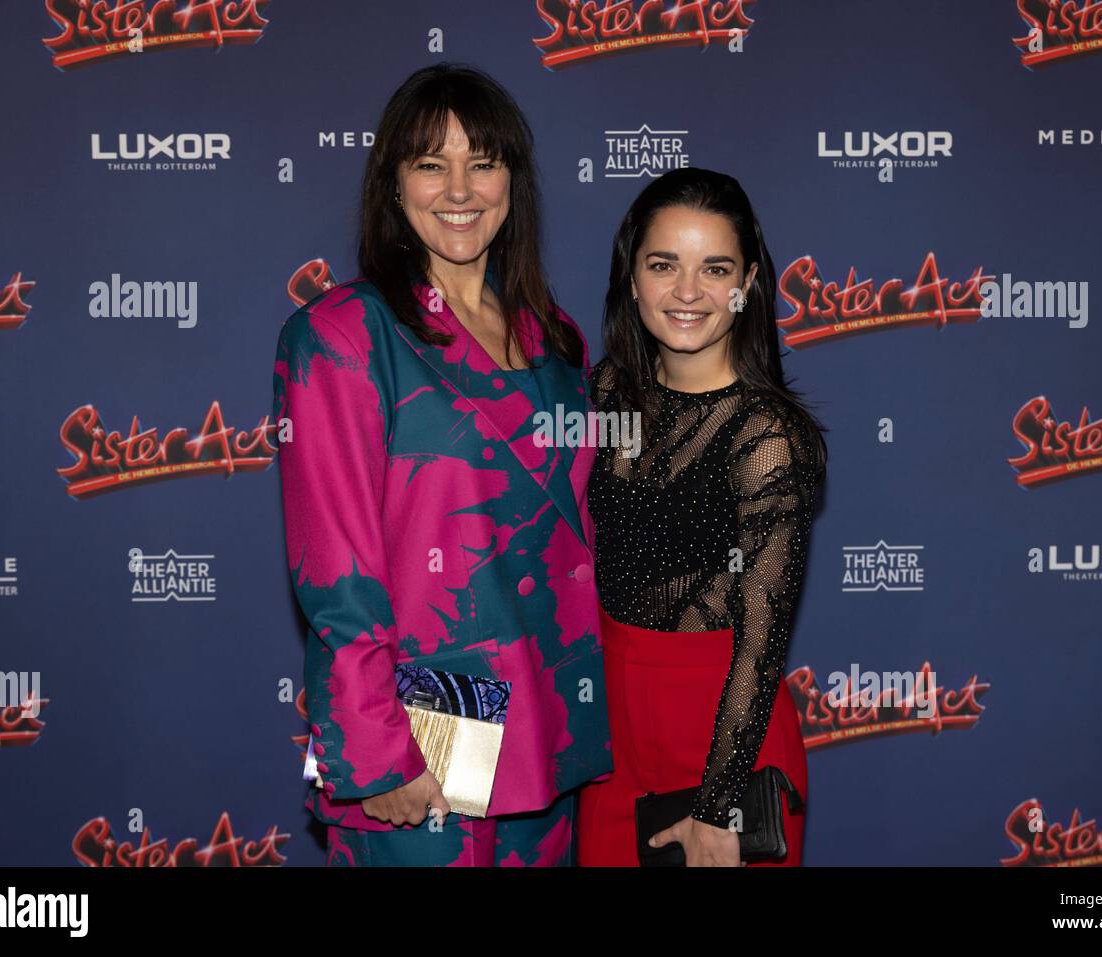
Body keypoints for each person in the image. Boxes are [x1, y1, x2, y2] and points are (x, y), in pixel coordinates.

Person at [273, 63, 611, 866]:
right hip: (423, 728)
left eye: (483, 161)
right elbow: (336, 568)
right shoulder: (343, 334)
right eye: (430, 163)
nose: (459, 188)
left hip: (552, 716)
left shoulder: (554, 336)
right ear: (392, 183)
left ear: (511, 181)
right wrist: (372, 752)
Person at [577, 167, 828, 867]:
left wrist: (720, 807)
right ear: (632, 278)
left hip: (723, 737)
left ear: (745, 282)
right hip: (612, 738)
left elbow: (762, 633)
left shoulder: (766, 435)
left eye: (714, 268)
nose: (688, 292)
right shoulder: (602, 395)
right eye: (664, 265)